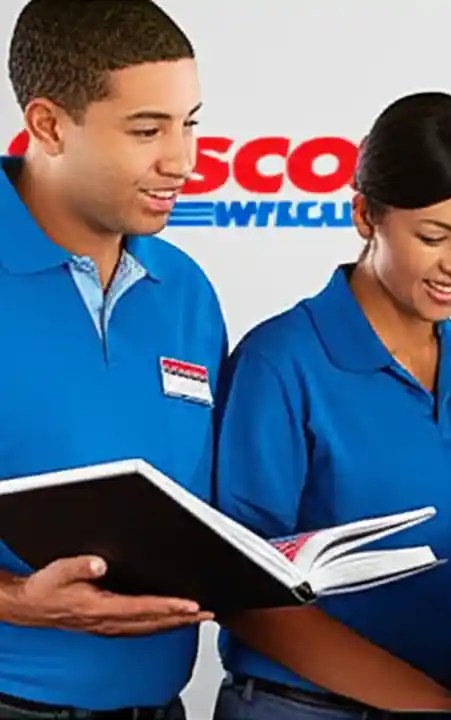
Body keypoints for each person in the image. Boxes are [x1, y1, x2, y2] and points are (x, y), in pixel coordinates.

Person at [210, 91, 451, 720]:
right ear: (365, 215)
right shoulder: (282, 363)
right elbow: (245, 590)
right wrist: (432, 703)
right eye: (433, 236)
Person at [0, 1, 223, 717]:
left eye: (188, 122)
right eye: (147, 130)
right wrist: (21, 605)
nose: (182, 160)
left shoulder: (186, 291)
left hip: (160, 704)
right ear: (48, 125)